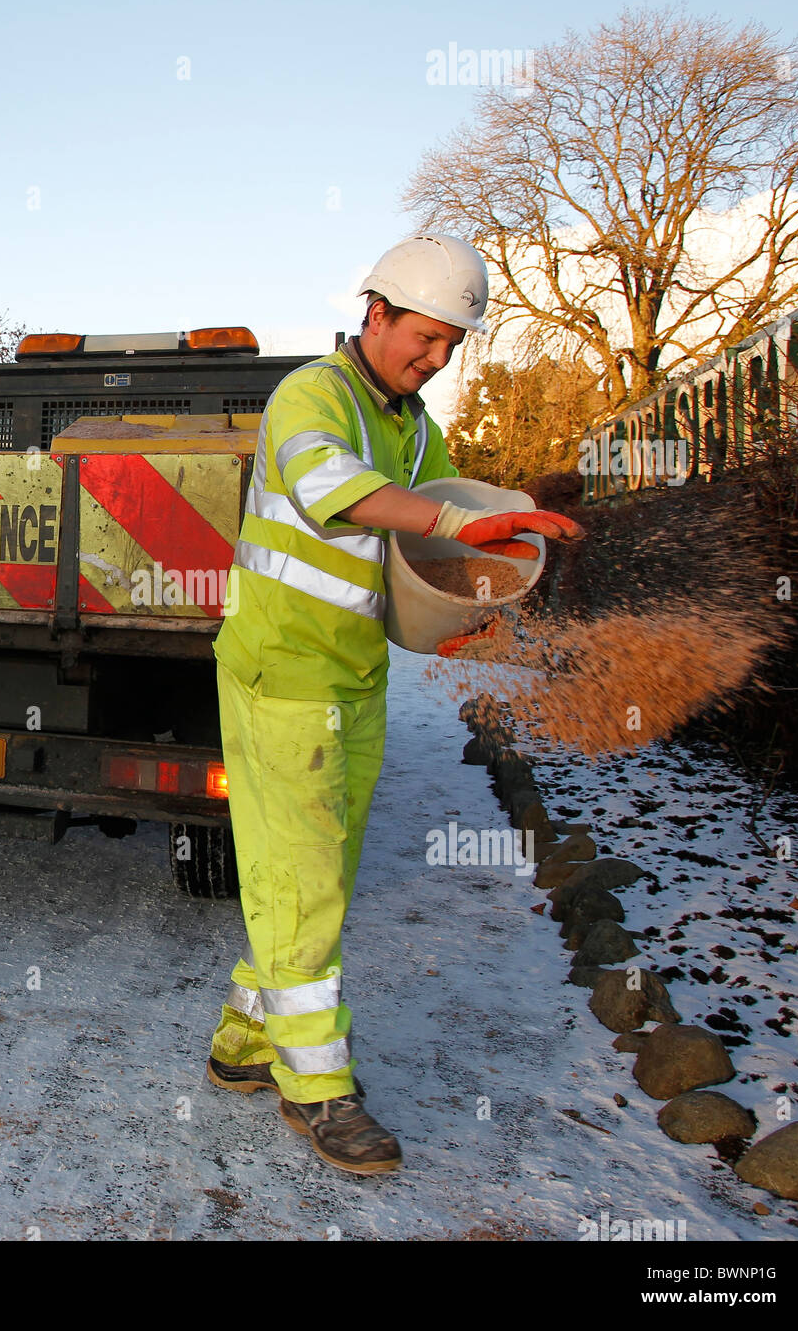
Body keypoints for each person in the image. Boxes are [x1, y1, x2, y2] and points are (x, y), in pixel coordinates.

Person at [206, 234, 585, 1175]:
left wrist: (458, 610)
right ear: (373, 312)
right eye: (423, 337)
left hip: (352, 677)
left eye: (452, 344)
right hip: (284, 675)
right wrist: (460, 523)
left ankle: (246, 1042)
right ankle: (317, 1090)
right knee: (306, 879)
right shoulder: (311, 396)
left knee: (315, 869)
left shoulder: (415, 428)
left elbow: (419, 551)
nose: (436, 358)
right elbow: (334, 491)